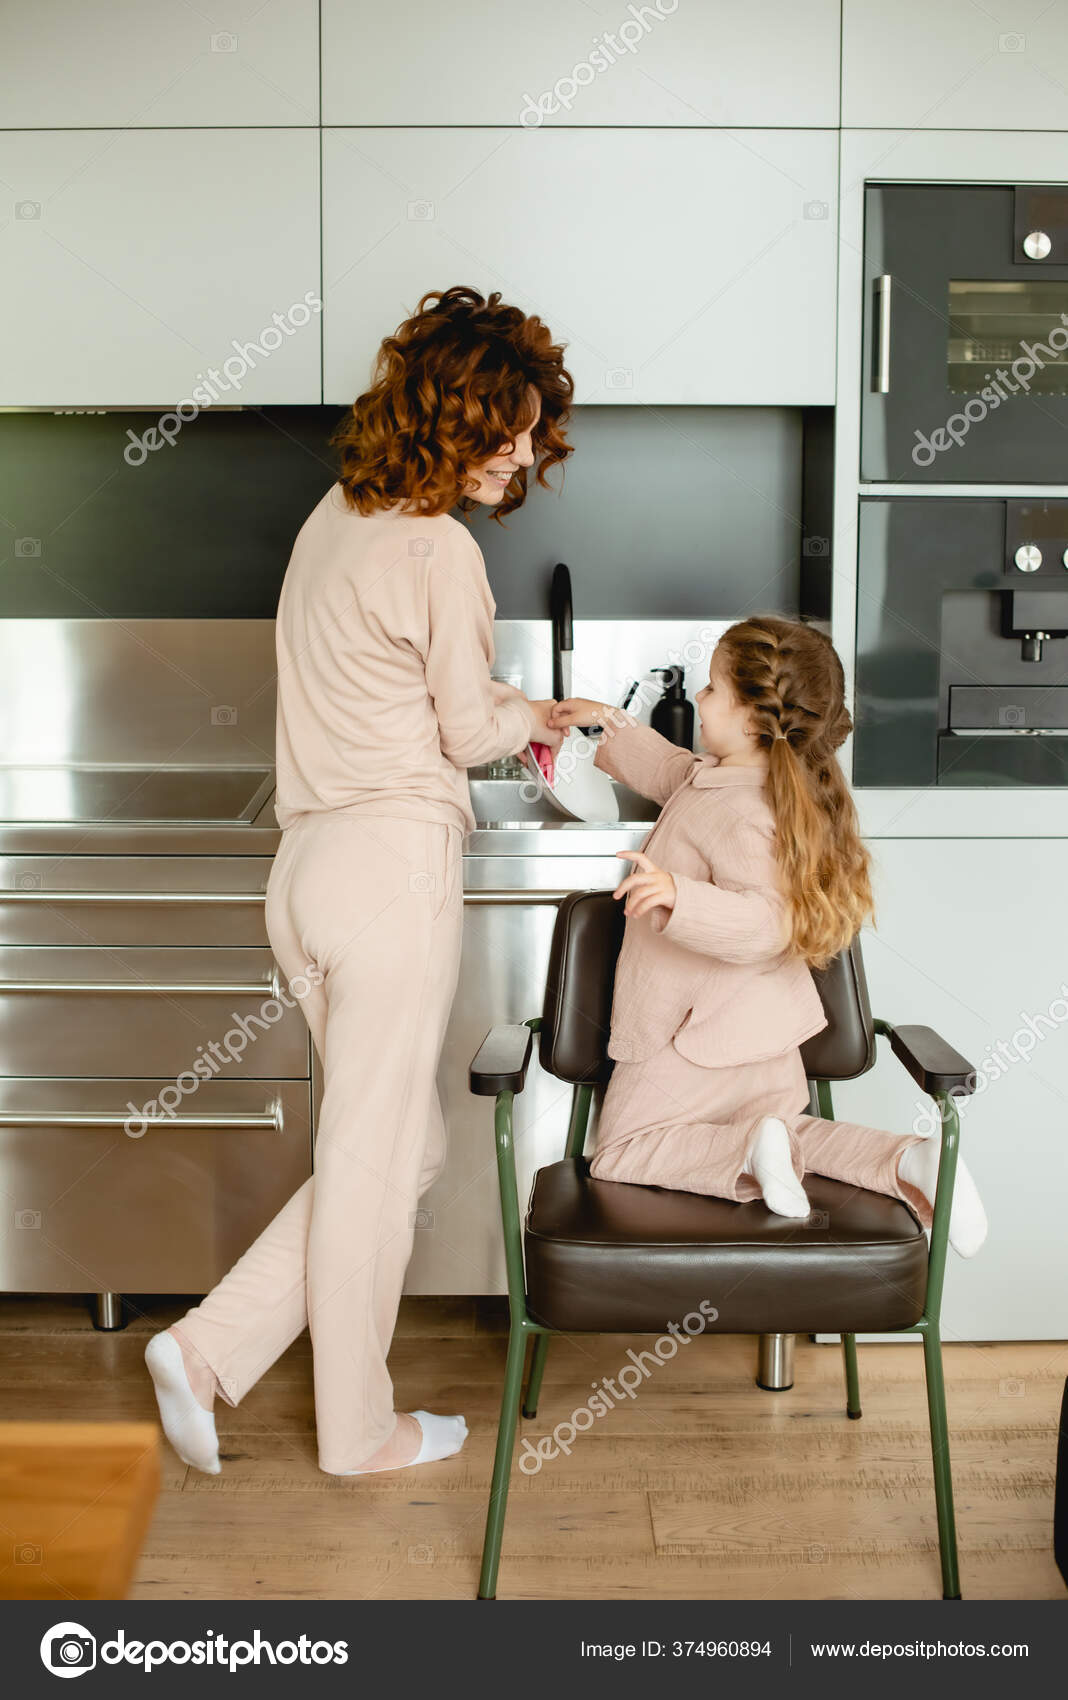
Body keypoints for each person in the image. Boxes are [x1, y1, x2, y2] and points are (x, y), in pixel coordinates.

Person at [145, 286, 572, 1476]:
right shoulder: (437, 548)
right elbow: (467, 729)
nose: (524, 454)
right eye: (507, 427)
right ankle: (356, 1430)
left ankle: (209, 1348)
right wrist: (540, 714)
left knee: (394, 1150)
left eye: (532, 431)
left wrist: (512, 713)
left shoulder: (333, 515)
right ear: (453, 414)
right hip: (390, 862)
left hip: (305, 871)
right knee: (383, 1156)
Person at [548, 615, 988, 1257]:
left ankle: (749, 1149)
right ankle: (906, 1162)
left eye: (711, 690)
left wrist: (681, 897)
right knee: (794, 1133)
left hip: (685, 1039)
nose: (698, 699)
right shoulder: (732, 783)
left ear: (753, 715)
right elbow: (669, 768)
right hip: (759, 1040)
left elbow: (770, 923)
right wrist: (605, 723)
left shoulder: (740, 812)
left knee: (619, 1151)